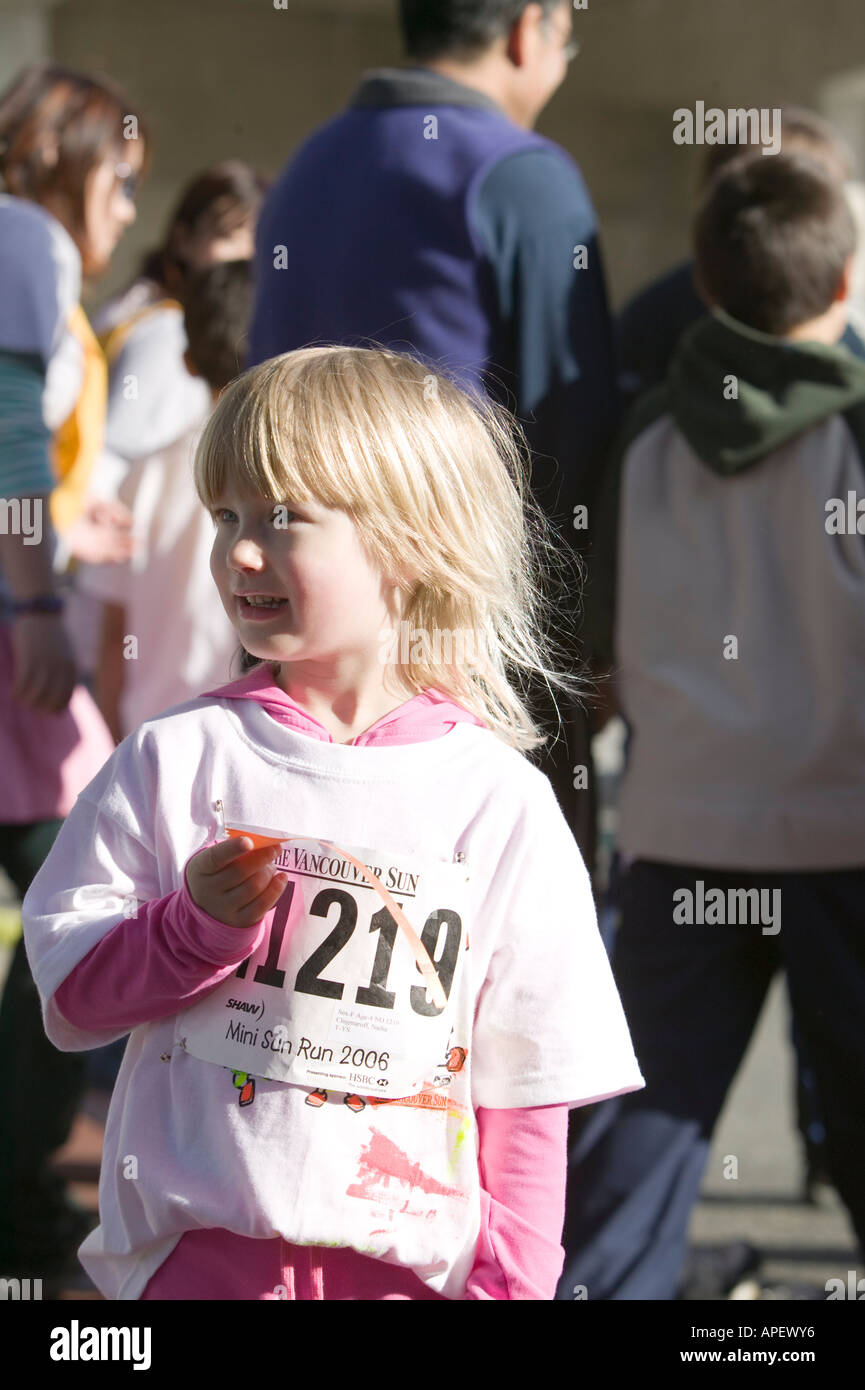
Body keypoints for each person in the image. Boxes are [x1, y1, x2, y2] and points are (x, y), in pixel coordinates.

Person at [23, 346, 643, 1301]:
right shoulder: (174, 759)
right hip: (193, 1270)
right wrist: (193, 929)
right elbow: (72, 997)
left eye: (281, 518)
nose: (239, 551)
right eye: (225, 516)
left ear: (414, 540)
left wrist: (510, 1289)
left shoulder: (498, 801)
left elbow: (527, 1089)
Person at [561, 152, 865, 1300]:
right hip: (842, 834)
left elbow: (596, 647)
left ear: (700, 280)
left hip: (681, 827)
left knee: (639, 1142)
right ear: (845, 281)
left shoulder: (644, 433)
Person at [249, 0, 619, 871]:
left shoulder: (308, 164)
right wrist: (585, 641)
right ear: (529, 28)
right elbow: (573, 428)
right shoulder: (522, 175)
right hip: (466, 641)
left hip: (299, 634)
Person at [0, 61, 146, 1286]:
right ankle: (13, 1179)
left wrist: (56, 528)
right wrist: (34, 600)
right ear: (70, 158)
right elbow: (6, 424)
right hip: (12, 633)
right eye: (123, 179)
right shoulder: (26, 240)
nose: (128, 210)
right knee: (82, 886)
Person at [83, 260, 253, 742]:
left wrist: (113, 745)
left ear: (186, 360)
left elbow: (114, 638)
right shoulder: (291, 481)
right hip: (245, 741)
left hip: (148, 737)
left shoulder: (144, 476)